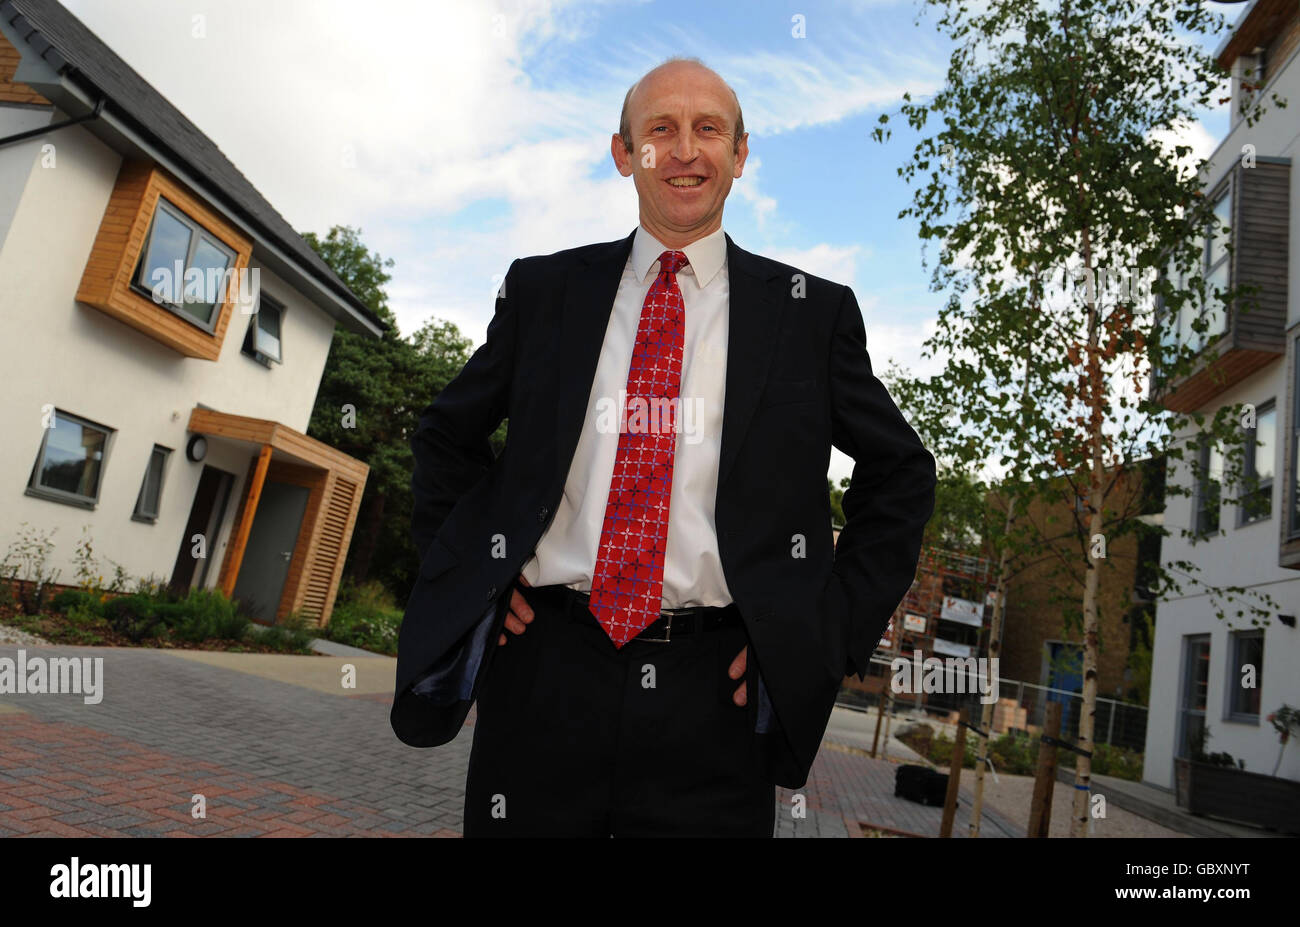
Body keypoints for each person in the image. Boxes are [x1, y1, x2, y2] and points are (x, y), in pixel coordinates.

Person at [390, 56, 937, 837]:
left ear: (740, 155)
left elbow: (903, 473)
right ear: (625, 153)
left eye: (708, 128)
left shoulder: (810, 316)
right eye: (661, 130)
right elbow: (446, 433)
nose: (685, 149)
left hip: (717, 698)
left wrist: (822, 633)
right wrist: (476, 571)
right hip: (543, 674)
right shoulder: (545, 292)